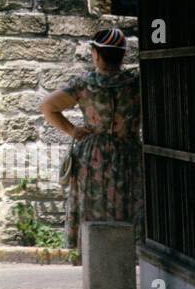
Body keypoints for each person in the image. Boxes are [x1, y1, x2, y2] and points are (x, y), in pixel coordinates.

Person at [38, 27, 142, 252]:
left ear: (95, 53)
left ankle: (92, 256)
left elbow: (47, 106)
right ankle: (126, 254)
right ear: (123, 55)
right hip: (129, 153)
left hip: (93, 156)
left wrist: (73, 131)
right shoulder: (136, 85)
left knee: (91, 207)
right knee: (127, 205)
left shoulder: (84, 85)